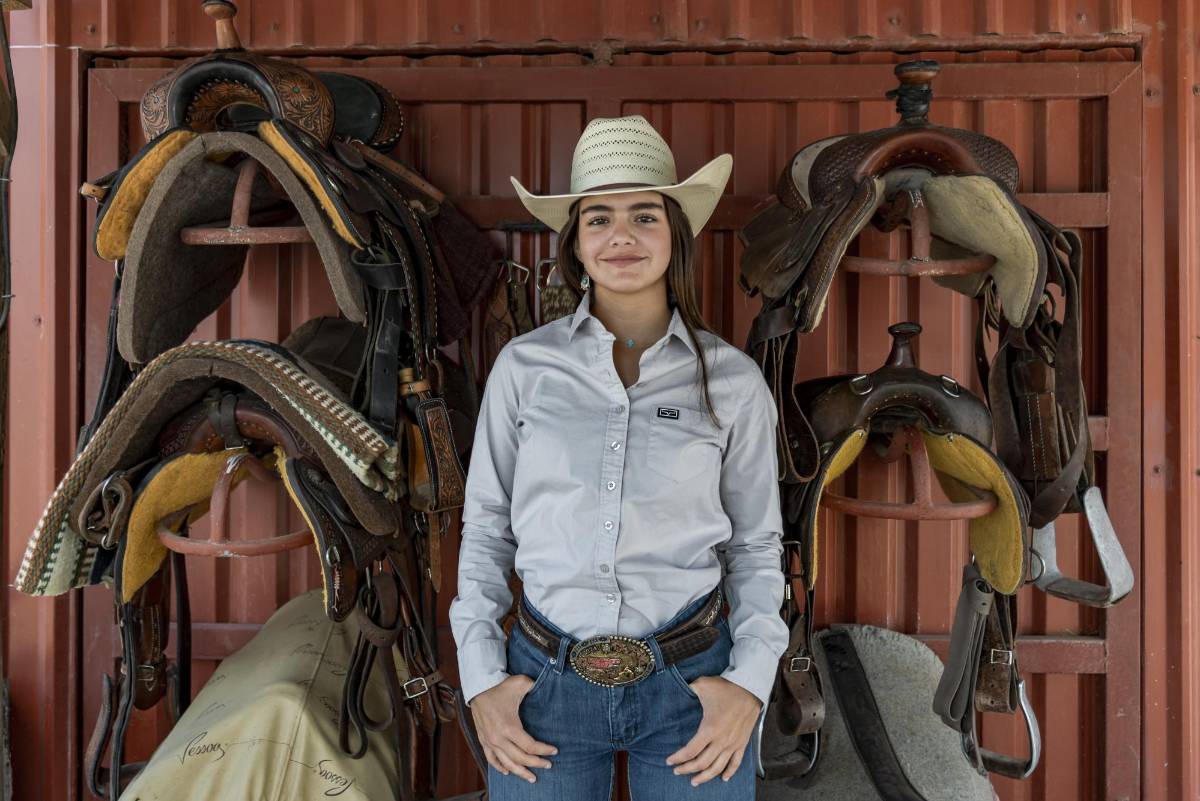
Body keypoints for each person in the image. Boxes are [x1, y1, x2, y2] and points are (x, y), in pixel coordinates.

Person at [449, 115, 788, 800]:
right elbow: (486, 527)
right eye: (598, 218)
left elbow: (755, 547)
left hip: (693, 684)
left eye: (644, 215)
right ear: (575, 241)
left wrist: (750, 684)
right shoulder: (525, 369)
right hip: (542, 685)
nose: (622, 237)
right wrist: (483, 677)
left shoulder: (731, 380)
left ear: (674, 234)